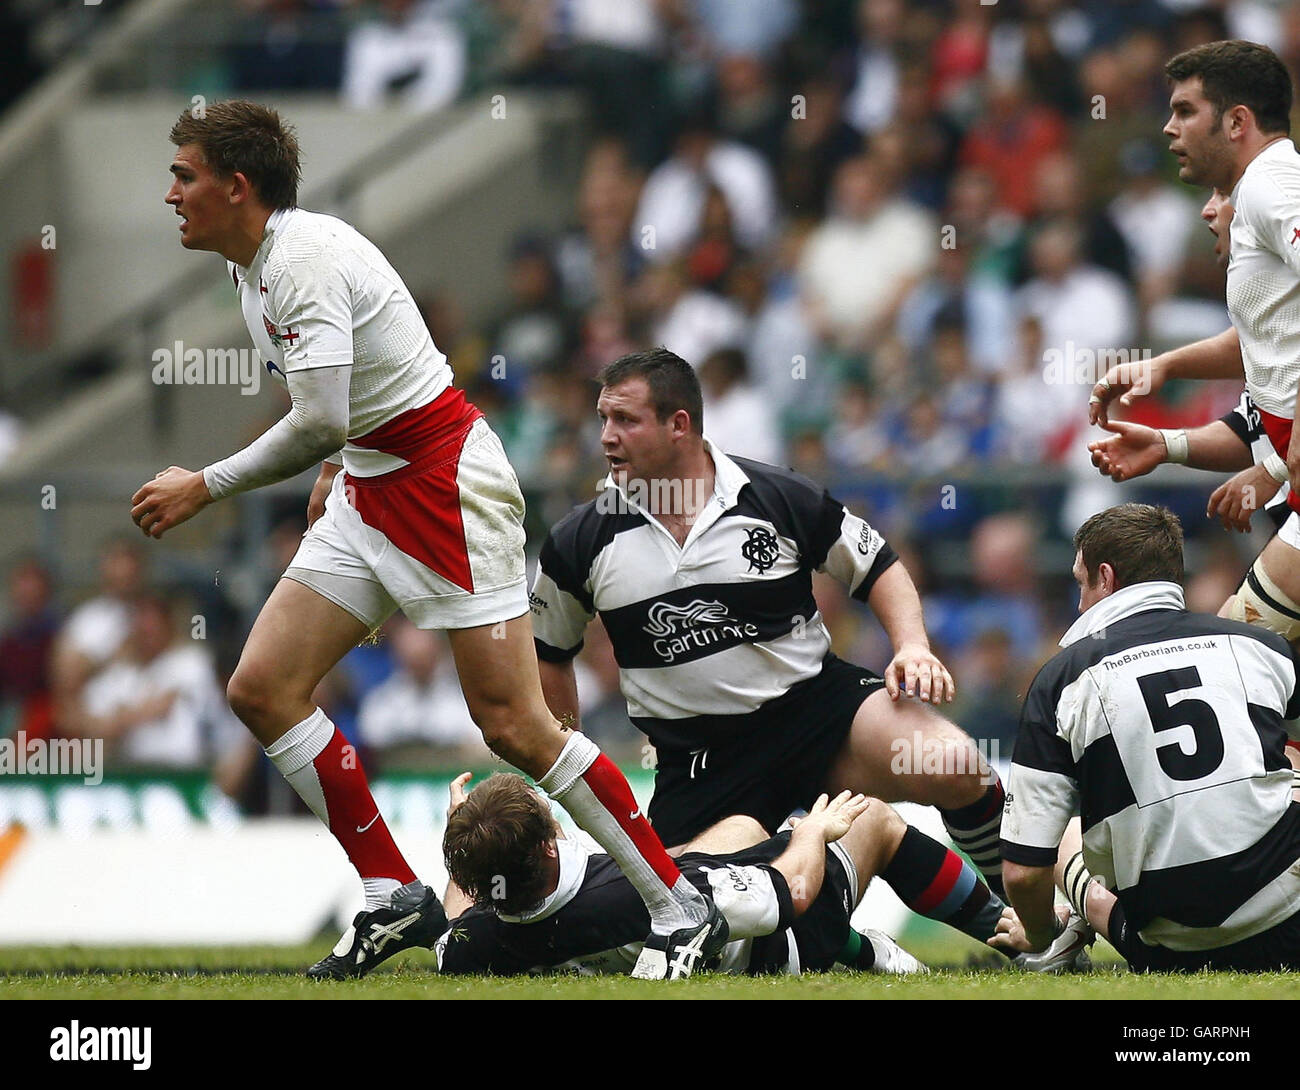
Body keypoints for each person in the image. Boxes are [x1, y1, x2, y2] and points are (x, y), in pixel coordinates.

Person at [132, 100, 724, 980]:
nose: (171, 192)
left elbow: (319, 417)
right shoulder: (252, 268)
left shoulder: (300, 262)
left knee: (514, 725)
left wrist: (206, 484)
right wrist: (342, 460)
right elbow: (342, 414)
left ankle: (680, 907)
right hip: (374, 480)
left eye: (185, 175)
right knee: (262, 688)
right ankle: (391, 896)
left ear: (237, 185)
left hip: (445, 483)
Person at [530, 348, 1009, 907]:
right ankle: (893, 940)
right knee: (687, 911)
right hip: (698, 760)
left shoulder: (776, 497)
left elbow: (877, 564)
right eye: (603, 420)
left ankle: (1030, 915)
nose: (607, 436)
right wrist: (573, 764)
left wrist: (912, 646)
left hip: (816, 713)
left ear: (679, 424)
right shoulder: (578, 541)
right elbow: (549, 653)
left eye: (626, 420)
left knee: (955, 765)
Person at [993, 503, 1300, 971]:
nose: (1078, 604)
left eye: (1080, 584)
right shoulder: (1260, 646)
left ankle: (1065, 934)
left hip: (1176, 951)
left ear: (1105, 576)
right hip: (1291, 920)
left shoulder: (1063, 681)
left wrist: (1038, 934)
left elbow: (1022, 870)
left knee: (1060, 836)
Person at [1088, 40, 1300, 645]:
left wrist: (1276, 469)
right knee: (1269, 697)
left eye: (1184, 110)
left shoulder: (1269, 184)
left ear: (1236, 122)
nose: (1168, 126)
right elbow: (1271, 346)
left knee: (1233, 670)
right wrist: (1166, 380)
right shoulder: (1262, 193)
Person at [438, 772, 927, 977]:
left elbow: (455, 920)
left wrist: (468, 837)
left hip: (609, 928)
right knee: (877, 819)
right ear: (549, 845)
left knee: (738, 827)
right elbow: (788, 895)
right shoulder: (654, 897)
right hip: (782, 941)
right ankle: (866, 948)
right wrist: (812, 833)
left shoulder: (474, 941)